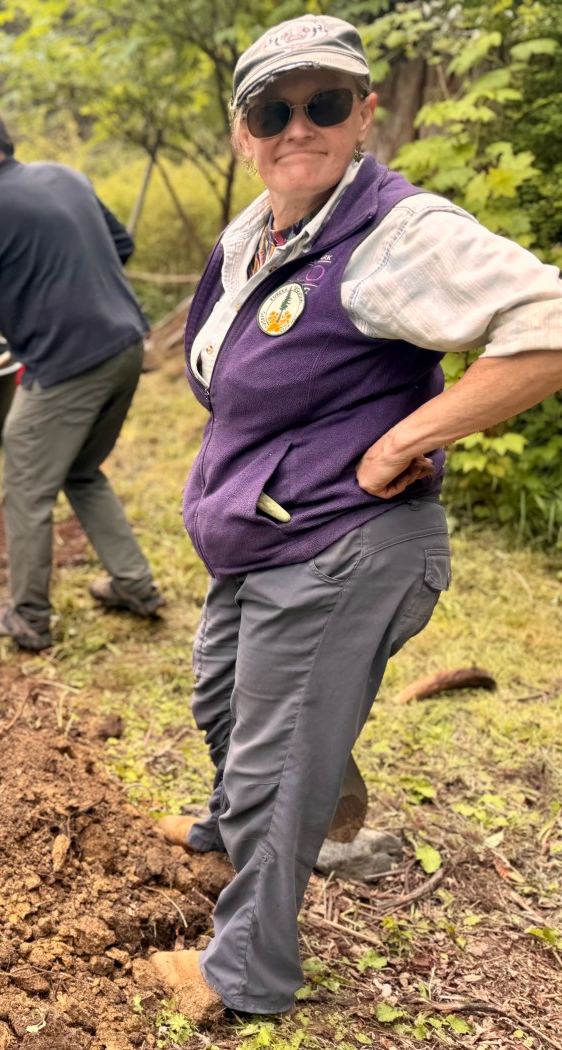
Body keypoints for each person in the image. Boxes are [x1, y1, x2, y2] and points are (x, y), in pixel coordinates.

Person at [147, 15, 562, 1022]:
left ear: (362, 112)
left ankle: (243, 972)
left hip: (345, 541)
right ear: (242, 132)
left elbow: (545, 324)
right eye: (272, 110)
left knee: (271, 752)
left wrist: (399, 439)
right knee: (220, 702)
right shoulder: (253, 235)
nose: (299, 126)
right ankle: (267, 803)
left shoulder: (392, 233)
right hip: (261, 529)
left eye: (323, 103)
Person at [0, 94, 162, 653]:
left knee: (25, 487)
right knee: (82, 469)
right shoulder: (63, 176)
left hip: (68, 365)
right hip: (124, 347)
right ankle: (134, 585)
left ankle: (28, 618)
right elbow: (122, 245)